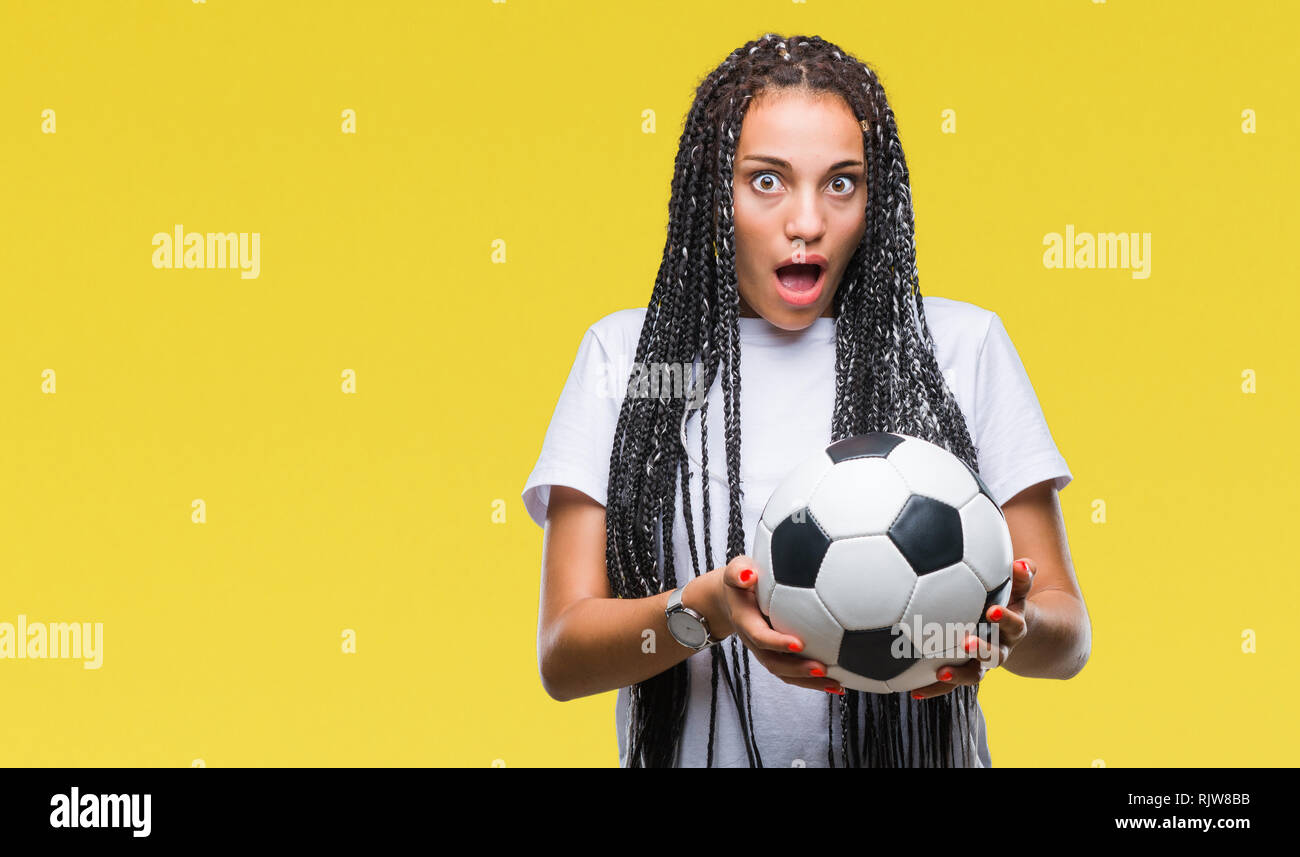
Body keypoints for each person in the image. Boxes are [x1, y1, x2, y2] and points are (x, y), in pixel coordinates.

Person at [522, 33, 1091, 767]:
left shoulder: (960, 346)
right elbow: (563, 656)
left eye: (841, 183)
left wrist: (1014, 631)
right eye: (767, 181)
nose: (807, 221)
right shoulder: (628, 358)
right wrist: (705, 611)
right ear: (711, 194)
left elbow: (1068, 636)